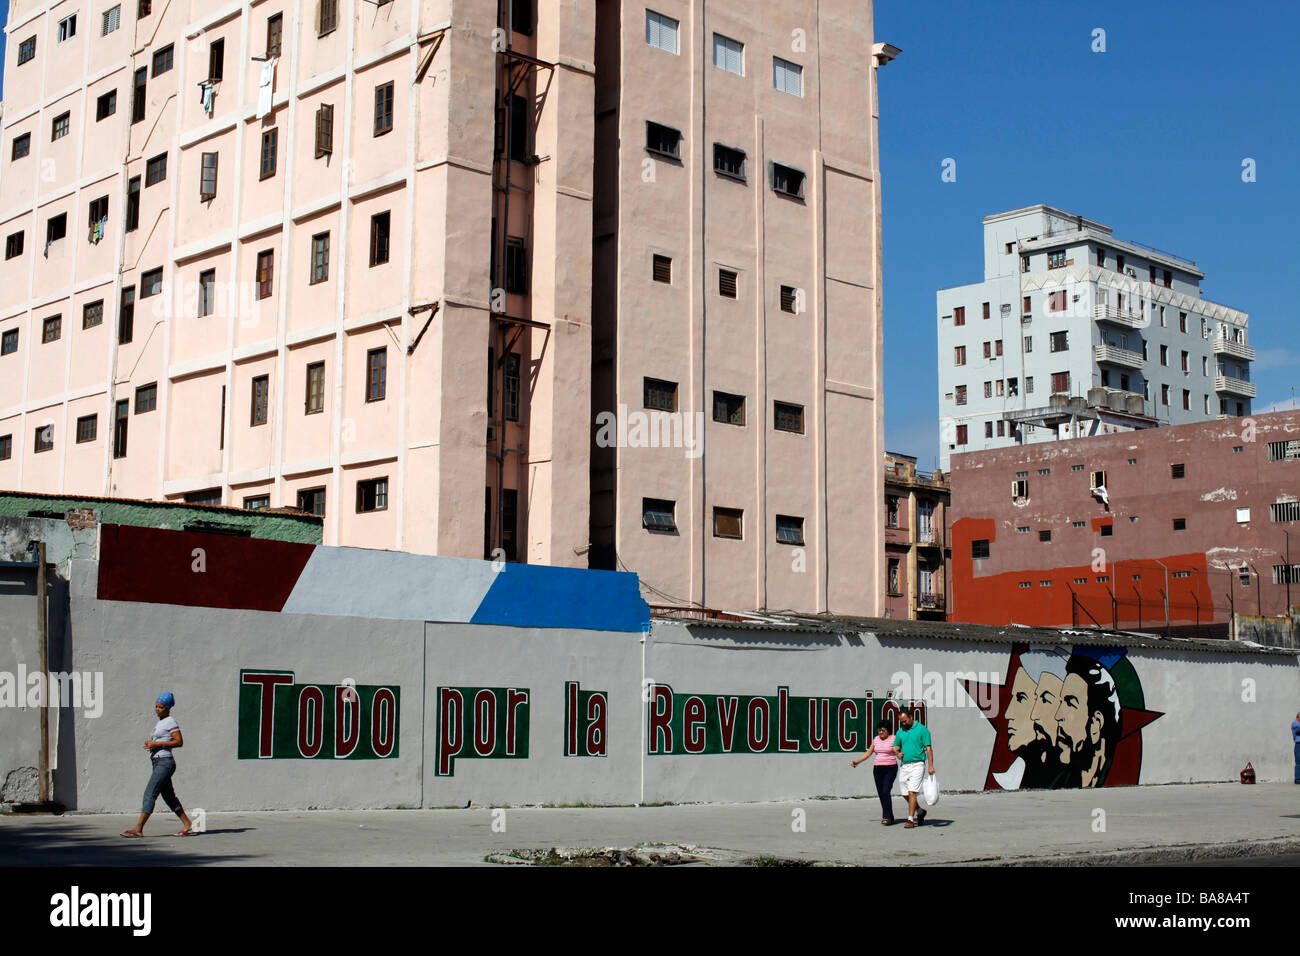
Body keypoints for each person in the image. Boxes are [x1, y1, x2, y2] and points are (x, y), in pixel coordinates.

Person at [121, 693, 195, 837]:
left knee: (150, 793)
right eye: (156, 706)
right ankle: (188, 824)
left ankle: (138, 829)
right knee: (168, 796)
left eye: (161, 707)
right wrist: (151, 745)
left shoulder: (170, 722)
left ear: (168, 708)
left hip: (165, 763)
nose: (157, 709)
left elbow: (179, 741)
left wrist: (157, 743)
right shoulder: (160, 723)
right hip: (158, 762)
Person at [892, 709, 934, 829]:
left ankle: (910, 819)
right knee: (904, 793)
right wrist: (897, 753)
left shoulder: (922, 730)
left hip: (918, 764)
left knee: (912, 792)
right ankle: (920, 811)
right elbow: (895, 746)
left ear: (911, 717)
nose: (903, 723)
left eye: (905, 721)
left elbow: (929, 749)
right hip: (905, 766)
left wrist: (931, 766)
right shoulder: (900, 731)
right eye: (901, 722)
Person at [851, 722, 898, 825]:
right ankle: (889, 816)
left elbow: (899, 750)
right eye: (879, 730)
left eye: (883, 730)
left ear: (888, 731)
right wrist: (857, 762)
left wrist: (900, 754)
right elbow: (868, 752)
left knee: (886, 791)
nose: (881, 732)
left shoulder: (894, 738)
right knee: (881, 793)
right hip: (877, 769)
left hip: (890, 768)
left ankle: (887, 817)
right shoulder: (876, 739)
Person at [1293, 713, 1300, 784]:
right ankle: (1298, 779)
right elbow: (1298, 728)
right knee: (1299, 763)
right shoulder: (1295, 723)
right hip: (1298, 745)